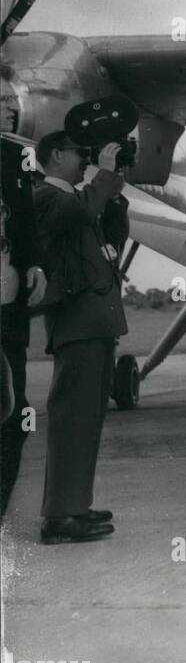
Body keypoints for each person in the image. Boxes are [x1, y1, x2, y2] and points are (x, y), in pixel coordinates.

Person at [33, 132, 128, 544]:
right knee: (73, 420)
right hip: (77, 323)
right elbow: (80, 210)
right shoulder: (46, 198)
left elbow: (112, 235)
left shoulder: (77, 199)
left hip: (93, 322)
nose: (83, 161)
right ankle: (59, 517)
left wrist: (116, 186)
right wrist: (103, 177)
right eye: (77, 153)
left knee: (86, 420)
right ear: (55, 156)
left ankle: (74, 507)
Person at [1, 71, 47, 518]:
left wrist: (34, 264)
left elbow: (26, 225)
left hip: (6, 310)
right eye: (1, 100)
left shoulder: (17, 157)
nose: (12, 108)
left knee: (14, 416)